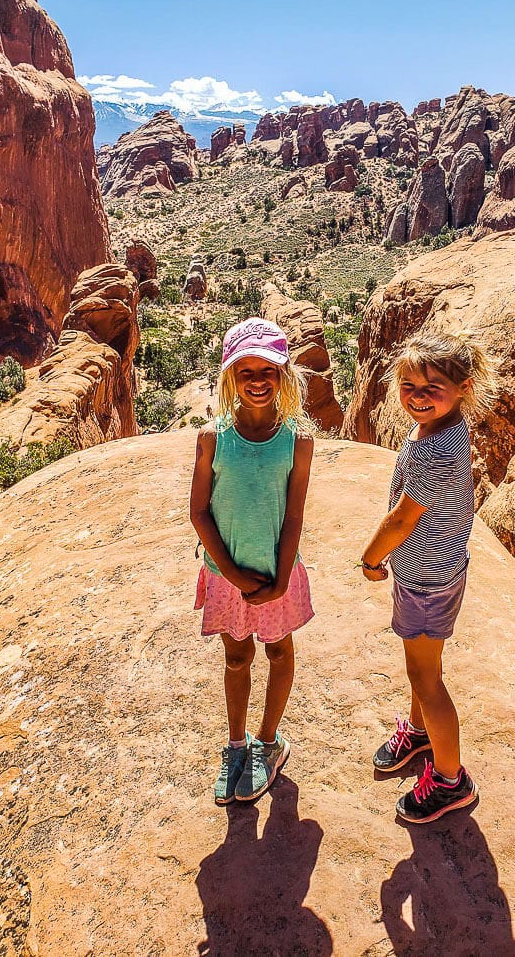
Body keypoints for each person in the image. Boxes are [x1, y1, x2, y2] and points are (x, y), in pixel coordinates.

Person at [361, 331, 497, 824]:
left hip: (425, 577)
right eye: (408, 385)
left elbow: (401, 519)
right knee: (424, 664)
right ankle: (418, 734)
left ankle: (449, 779)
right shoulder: (445, 430)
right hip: (441, 567)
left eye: (431, 386)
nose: (418, 395)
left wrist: (372, 558)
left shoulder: (432, 451)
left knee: (426, 677)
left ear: (463, 386)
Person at [190, 317, 315, 806]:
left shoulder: (297, 440)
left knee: (279, 653)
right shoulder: (212, 438)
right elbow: (199, 513)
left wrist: (281, 579)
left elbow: (295, 516)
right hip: (227, 576)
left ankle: (268, 744)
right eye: (247, 371)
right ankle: (236, 744)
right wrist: (236, 574)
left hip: (277, 574)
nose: (258, 381)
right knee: (237, 657)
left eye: (268, 370)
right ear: (230, 376)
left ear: (283, 376)